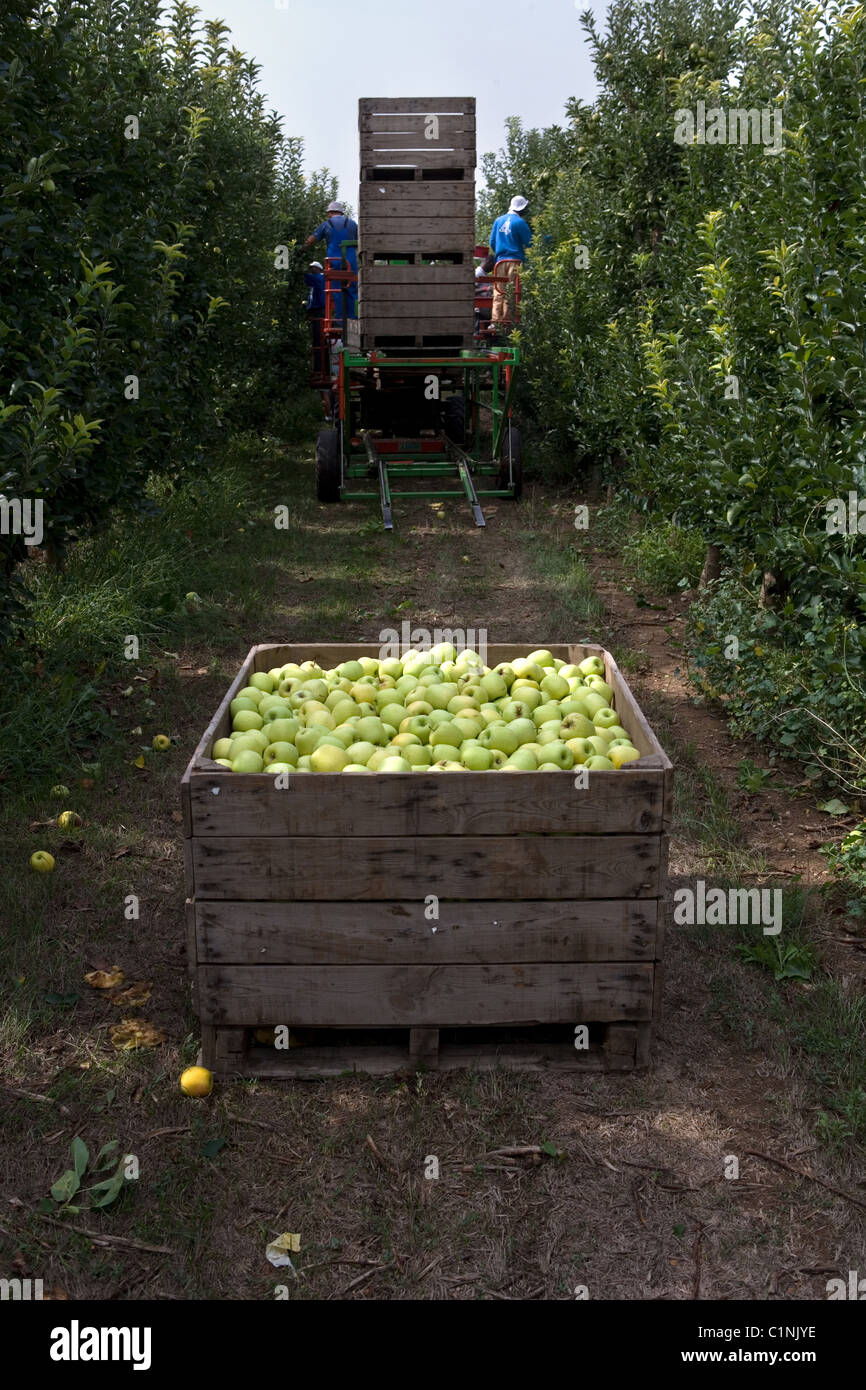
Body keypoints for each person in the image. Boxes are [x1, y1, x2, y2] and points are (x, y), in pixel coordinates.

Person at [305, 201, 358, 322]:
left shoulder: (326, 224)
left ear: (330, 213)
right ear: (341, 212)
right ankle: (354, 320)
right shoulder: (352, 224)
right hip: (351, 262)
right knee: (352, 289)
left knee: (337, 291)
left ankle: (340, 322)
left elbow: (312, 239)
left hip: (334, 263)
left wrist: (303, 248)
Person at [489, 195, 532, 328]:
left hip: (499, 262)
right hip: (515, 262)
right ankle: (508, 324)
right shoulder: (520, 222)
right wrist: (546, 238)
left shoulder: (498, 221)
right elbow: (530, 242)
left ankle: (495, 322)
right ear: (522, 208)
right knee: (511, 292)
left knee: (498, 292)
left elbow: (492, 242)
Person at [303, 260, 327, 379]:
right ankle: (319, 368)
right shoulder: (315, 285)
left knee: (319, 341)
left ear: (319, 269)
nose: (311, 270)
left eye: (313, 268)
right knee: (317, 341)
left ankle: (319, 369)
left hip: (320, 312)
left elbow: (304, 276)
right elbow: (311, 299)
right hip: (316, 312)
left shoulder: (320, 278)